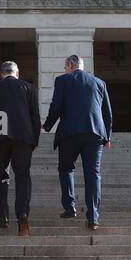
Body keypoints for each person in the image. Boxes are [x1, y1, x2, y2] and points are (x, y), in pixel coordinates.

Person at [42, 54, 112, 231]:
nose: (65, 70)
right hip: (94, 133)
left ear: (69, 65)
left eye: (65, 67)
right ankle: (93, 216)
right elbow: (107, 112)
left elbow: (56, 106)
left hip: (69, 134)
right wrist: (107, 137)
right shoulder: (99, 82)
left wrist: (48, 125)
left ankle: (69, 206)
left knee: (66, 168)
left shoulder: (63, 80)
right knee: (93, 174)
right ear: (81, 65)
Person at [0, 61, 42, 236]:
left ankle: (3, 216)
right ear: (17, 73)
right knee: (23, 175)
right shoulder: (28, 87)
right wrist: (35, 140)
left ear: (2, 74)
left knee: (2, 176)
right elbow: (35, 117)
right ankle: (22, 214)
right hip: (23, 138)